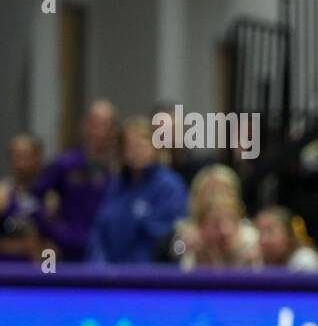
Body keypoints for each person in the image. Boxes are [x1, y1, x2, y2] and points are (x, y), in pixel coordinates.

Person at [87, 117, 188, 264]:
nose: (136, 151)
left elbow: (168, 236)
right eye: (131, 146)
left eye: (142, 145)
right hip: (110, 274)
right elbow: (101, 231)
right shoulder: (116, 186)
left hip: (150, 276)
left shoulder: (169, 185)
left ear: (155, 148)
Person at [30, 100, 117, 262]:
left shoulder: (120, 169)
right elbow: (33, 199)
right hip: (69, 250)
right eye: (94, 124)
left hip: (108, 253)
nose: (99, 132)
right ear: (85, 127)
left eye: (105, 125)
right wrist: (53, 231)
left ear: (113, 130)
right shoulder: (66, 163)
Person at [0, 133, 44, 262]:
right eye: (17, 156)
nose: (21, 163)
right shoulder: (3, 193)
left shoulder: (51, 196)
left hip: (42, 269)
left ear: (38, 157)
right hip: (7, 270)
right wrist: (21, 247)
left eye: (26, 156)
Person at [255, 206, 318, 272]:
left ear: (289, 235)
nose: (263, 240)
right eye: (260, 232)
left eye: (270, 231)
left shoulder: (305, 259)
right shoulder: (257, 261)